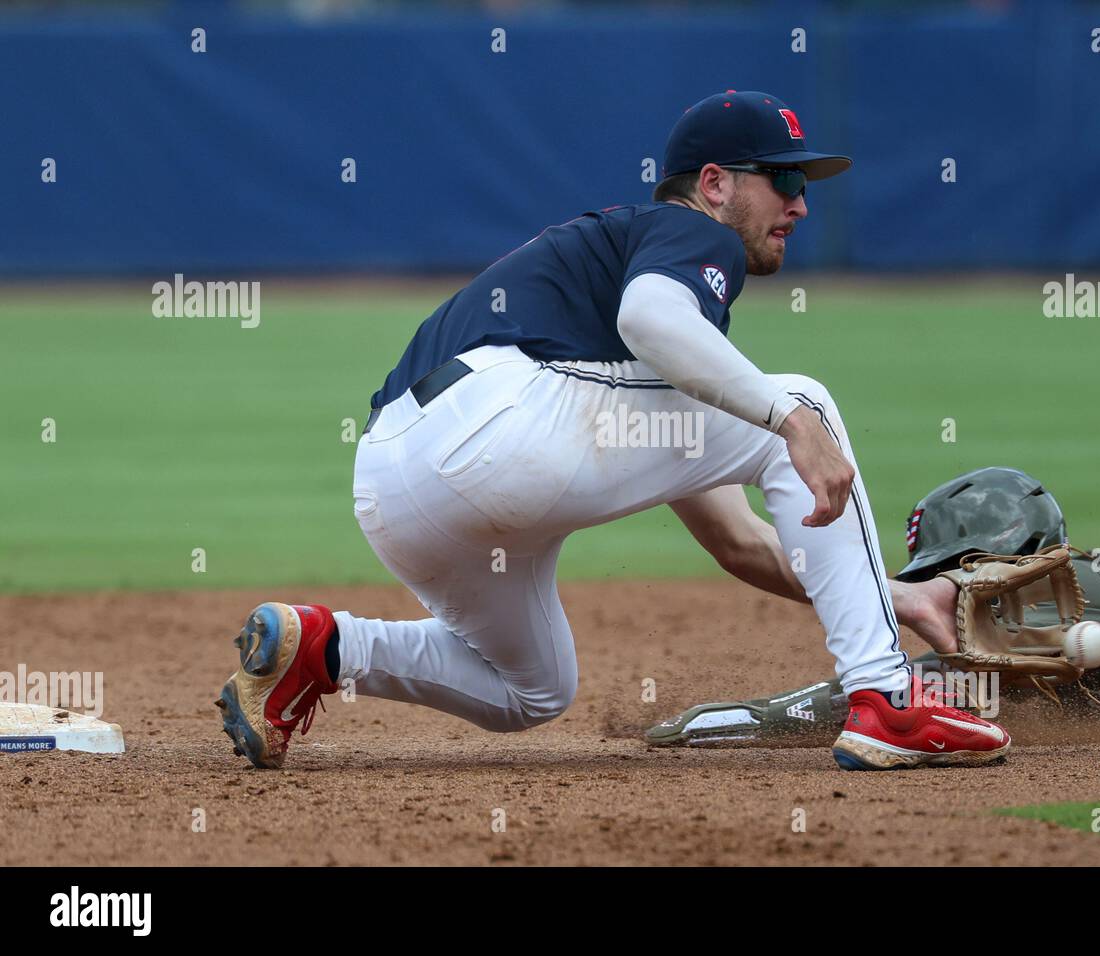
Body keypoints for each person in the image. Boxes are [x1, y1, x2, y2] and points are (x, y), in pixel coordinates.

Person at [215, 90, 1011, 771]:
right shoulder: (686, 235)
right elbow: (651, 317)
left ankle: (320, 648)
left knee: (532, 691)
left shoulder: (649, 358)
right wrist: (788, 420)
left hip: (396, 484)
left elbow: (739, 544)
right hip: (503, 424)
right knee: (803, 401)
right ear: (713, 183)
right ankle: (889, 699)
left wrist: (899, 597)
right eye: (785, 178)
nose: (801, 204)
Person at [648, 466, 1100, 746]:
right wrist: (753, 719)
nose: (948, 593)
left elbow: (938, 667)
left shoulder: (1085, 584)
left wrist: (737, 718)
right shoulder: (1036, 645)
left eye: (957, 573)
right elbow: (917, 689)